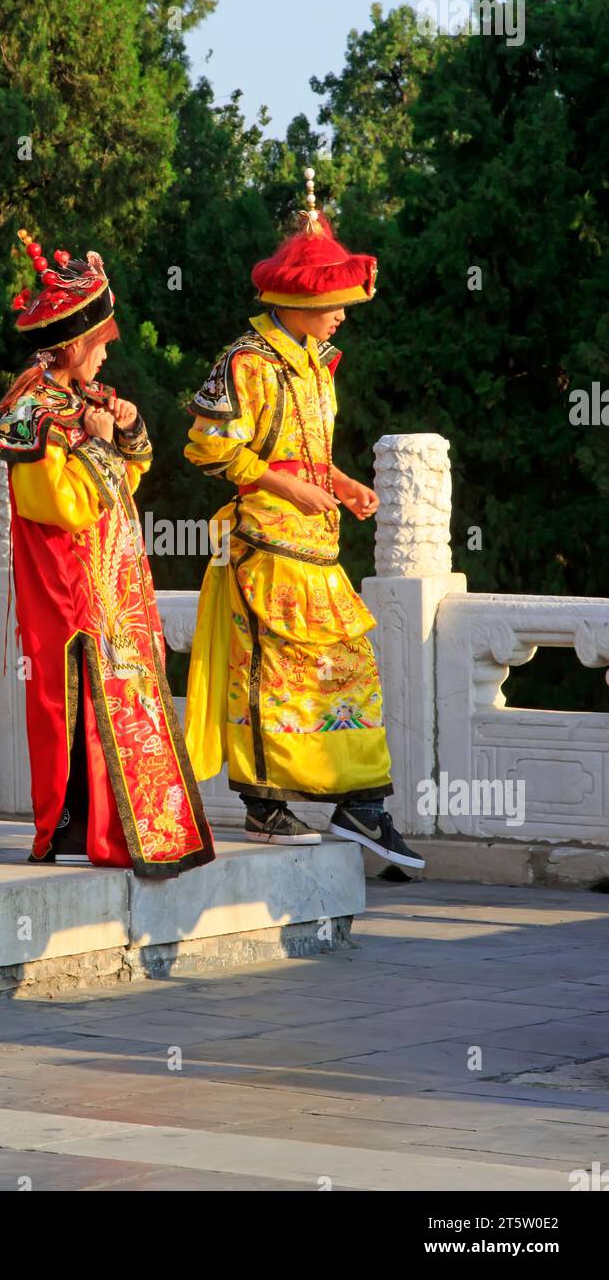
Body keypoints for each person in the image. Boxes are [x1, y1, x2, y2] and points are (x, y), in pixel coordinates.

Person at [182, 172, 424, 872]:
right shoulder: (245, 362)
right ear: (297, 299)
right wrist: (285, 484)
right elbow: (208, 446)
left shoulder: (318, 365)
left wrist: (341, 482)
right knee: (273, 675)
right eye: (337, 302)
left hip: (317, 546)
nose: (345, 312)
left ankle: (362, 804)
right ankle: (264, 803)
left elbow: (303, 448)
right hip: (265, 546)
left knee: (346, 672)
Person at [0, 232, 214, 879]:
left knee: (114, 695)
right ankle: (70, 821)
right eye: (104, 339)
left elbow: (124, 483)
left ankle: (123, 822)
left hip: (109, 584)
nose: (109, 348)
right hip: (68, 590)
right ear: (77, 342)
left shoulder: (82, 402)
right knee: (71, 700)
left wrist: (127, 434)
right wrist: (107, 449)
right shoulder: (32, 410)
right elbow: (54, 503)